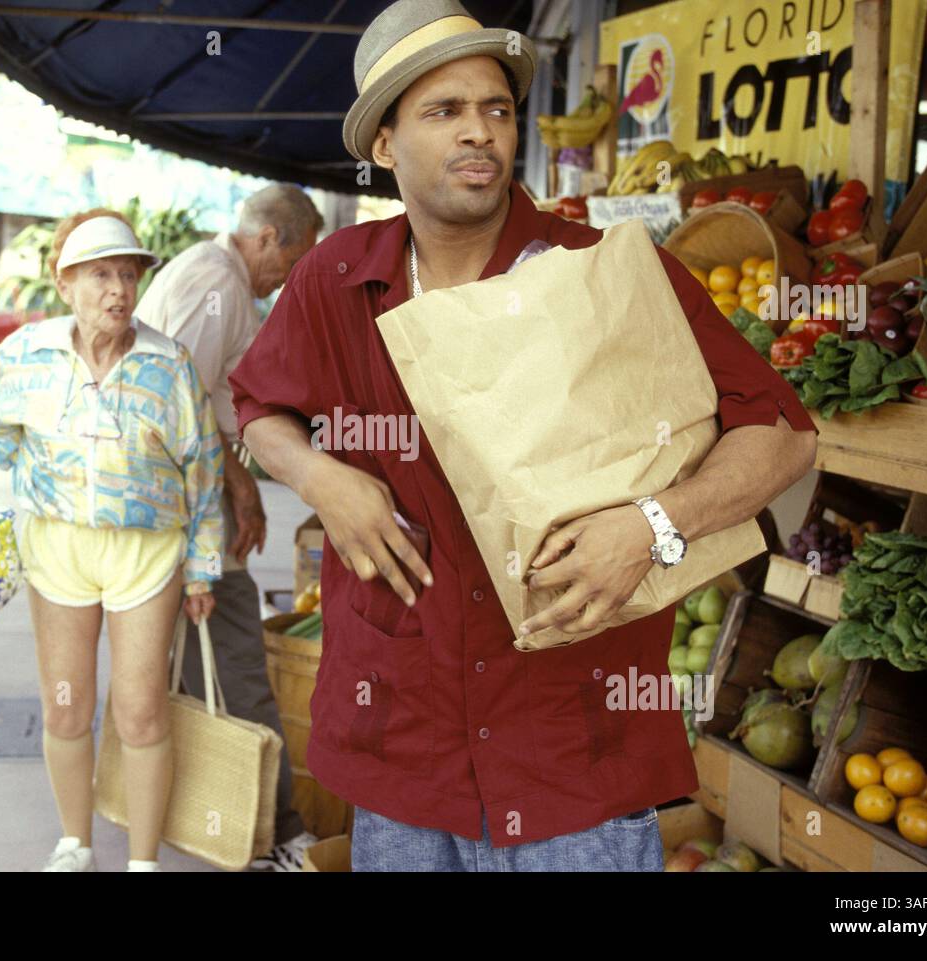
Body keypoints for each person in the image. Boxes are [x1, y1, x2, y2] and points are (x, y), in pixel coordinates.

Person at [228, 0, 818, 872]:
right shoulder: (335, 279)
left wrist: (654, 523)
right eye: (444, 111)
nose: (479, 133)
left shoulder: (607, 275)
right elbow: (257, 410)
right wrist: (323, 479)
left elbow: (784, 435)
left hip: (573, 752)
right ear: (385, 145)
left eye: (495, 111)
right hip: (407, 748)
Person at [0, 209, 224, 873]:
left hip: (146, 553)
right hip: (57, 548)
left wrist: (202, 568)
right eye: (101, 275)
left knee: (140, 711)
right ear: (66, 283)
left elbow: (204, 468)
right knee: (67, 704)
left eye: (128, 275)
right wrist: (24, 462)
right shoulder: (30, 352)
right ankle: (74, 842)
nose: (118, 289)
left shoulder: (168, 363)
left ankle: (141, 860)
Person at [135, 183, 322, 870]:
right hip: (188, 521)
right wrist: (242, 486)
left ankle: (207, 818)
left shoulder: (218, 280)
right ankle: (277, 833)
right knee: (241, 666)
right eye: (297, 257)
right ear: (270, 237)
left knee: (190, 673)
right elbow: (175, 407)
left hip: (183, 515)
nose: (293, 276)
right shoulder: (217, 282)